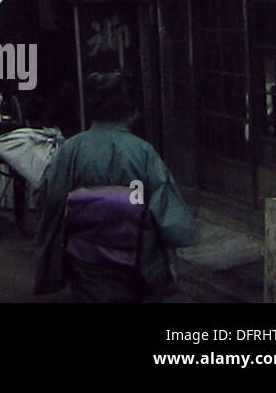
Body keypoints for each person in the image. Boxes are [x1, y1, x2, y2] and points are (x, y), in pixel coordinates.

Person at [34, 72, 195, 303]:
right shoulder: (142, 151)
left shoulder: (73, 148)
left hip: (84, 256)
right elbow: (165, 207)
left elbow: (50, 198)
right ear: (130, 115)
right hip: (133, 254)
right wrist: (171, 252)